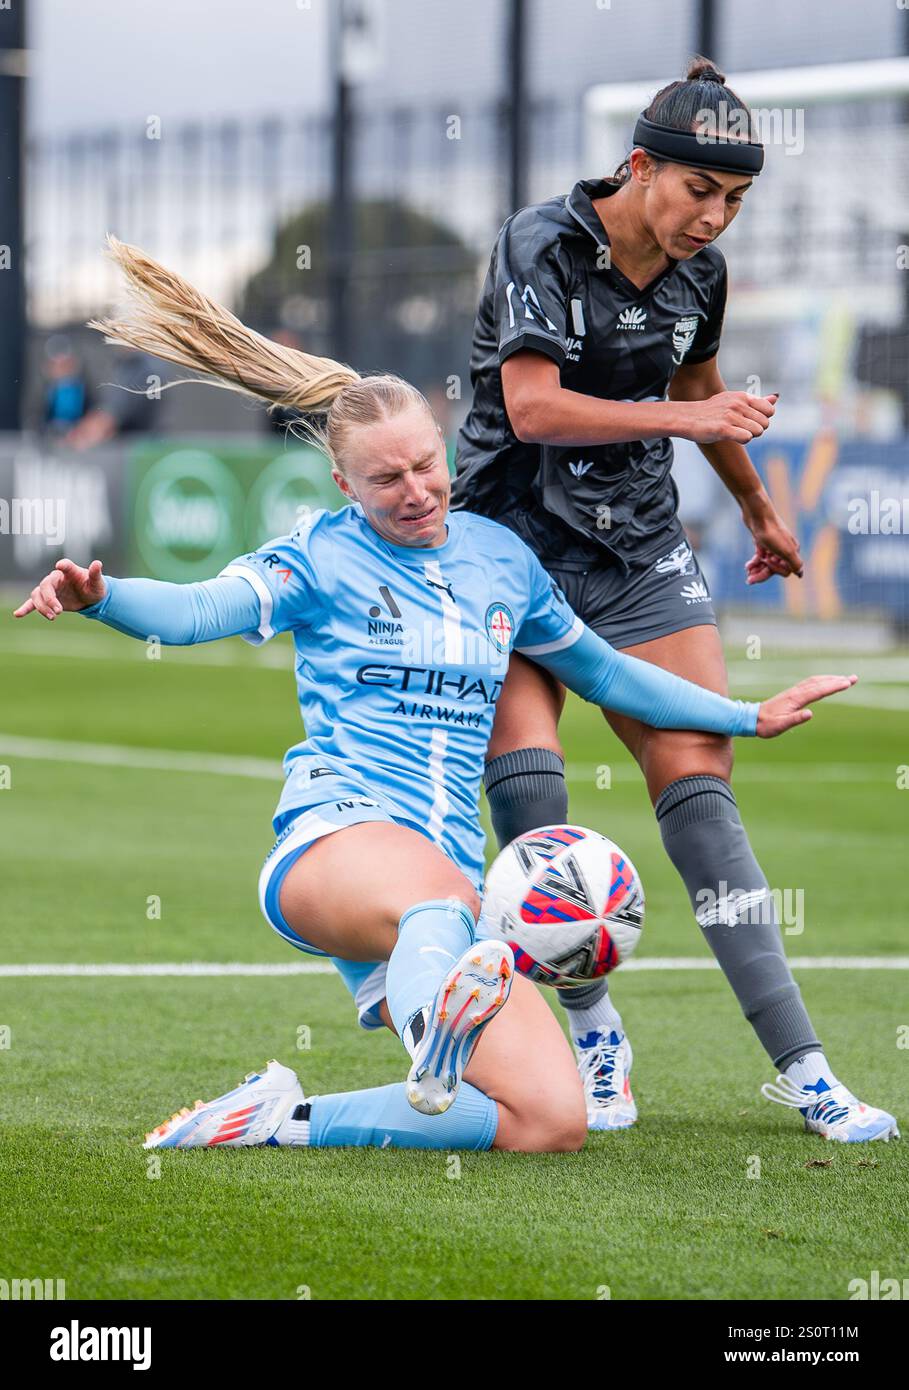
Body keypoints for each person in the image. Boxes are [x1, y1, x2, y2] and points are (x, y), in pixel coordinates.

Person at [13, 237, 877, 1154]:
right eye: (386, 479)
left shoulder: (501, 561)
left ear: (444, 442)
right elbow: (195, 611)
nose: (418, 490)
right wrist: (103, 599)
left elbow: (609, 674)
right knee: (434, 897)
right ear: (343, 484)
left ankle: (280, 1119)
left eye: (426, 464)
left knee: (548, 1122)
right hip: (335, 844)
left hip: (450, 901)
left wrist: (748, 714)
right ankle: (441, 1037)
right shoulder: (321, 553)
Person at [451, 56, 899, 1143]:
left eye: (736, 200)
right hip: (509, 541)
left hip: (642, 545)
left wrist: (755, 508)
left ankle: (805, 1067)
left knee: (701, 788)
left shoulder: (707, 275)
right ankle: (594, 1026)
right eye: (701, 190)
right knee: (531, 798)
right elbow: (538, 408)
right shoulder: (540, 244)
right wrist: (691, 427)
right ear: (642, 166)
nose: (716, 216)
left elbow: (700, 393)